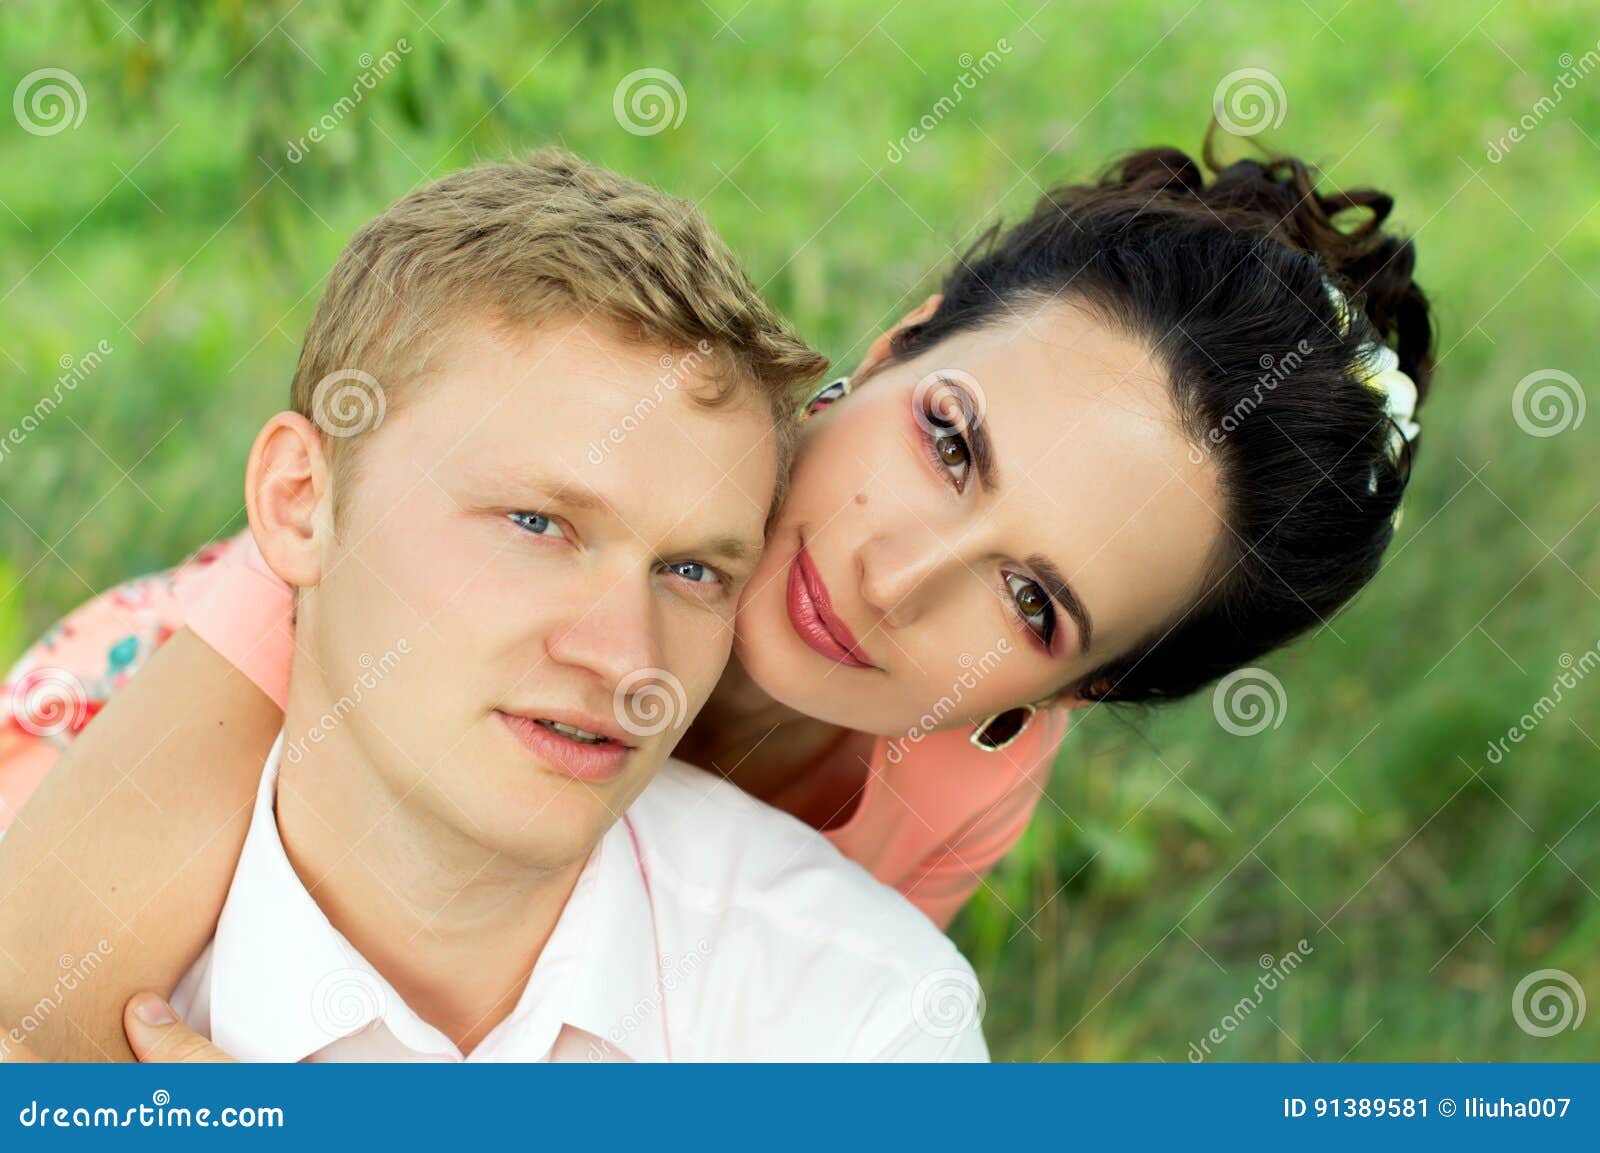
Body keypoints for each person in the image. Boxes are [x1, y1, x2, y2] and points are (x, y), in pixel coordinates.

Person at [1, 134, 1435, 1060]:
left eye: (1032, 601)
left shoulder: (943, 800)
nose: (894, 578)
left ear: (1075, 693)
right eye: (948, 443)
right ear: (892, 344)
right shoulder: (448, 530)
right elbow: (33, 1005)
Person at [0, 149, 986, 1063]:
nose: (624, 659)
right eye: (537, 522)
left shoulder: (857, 1016)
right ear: (300, 502)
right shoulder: (69, 960)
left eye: (692, 572)